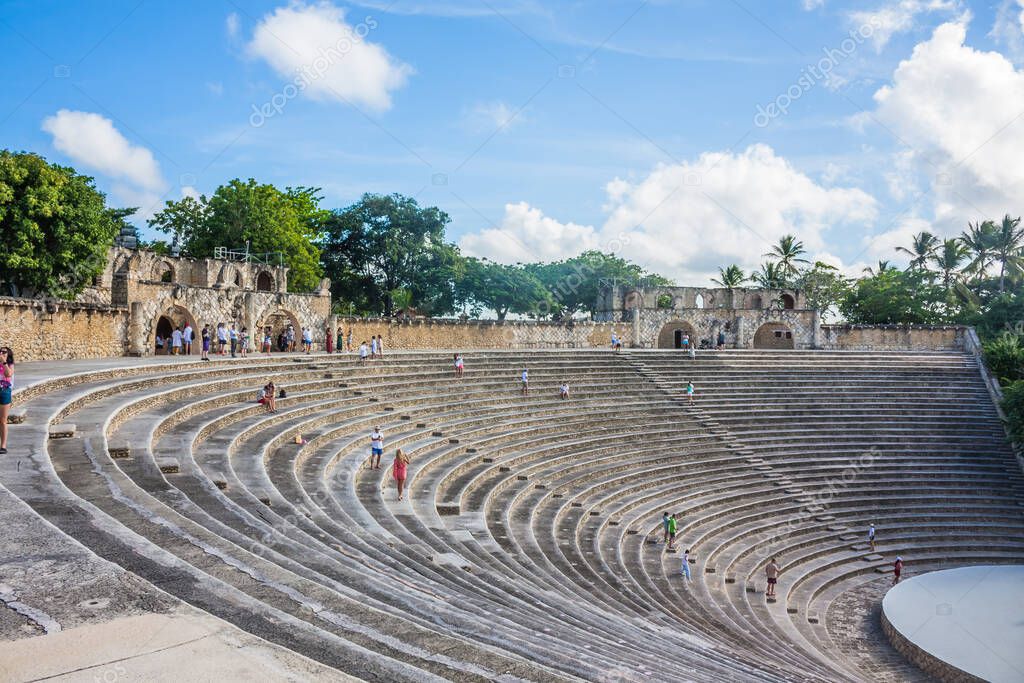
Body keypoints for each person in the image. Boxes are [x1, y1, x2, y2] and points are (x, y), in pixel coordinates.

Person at [0, 347, 13, 454]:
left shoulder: (9, 365)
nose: (1, 353)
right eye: (0, 351)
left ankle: (3, 446)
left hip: (4, 391)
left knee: (3, 421)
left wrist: (3, 362)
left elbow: (8, 374)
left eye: (4, 352)